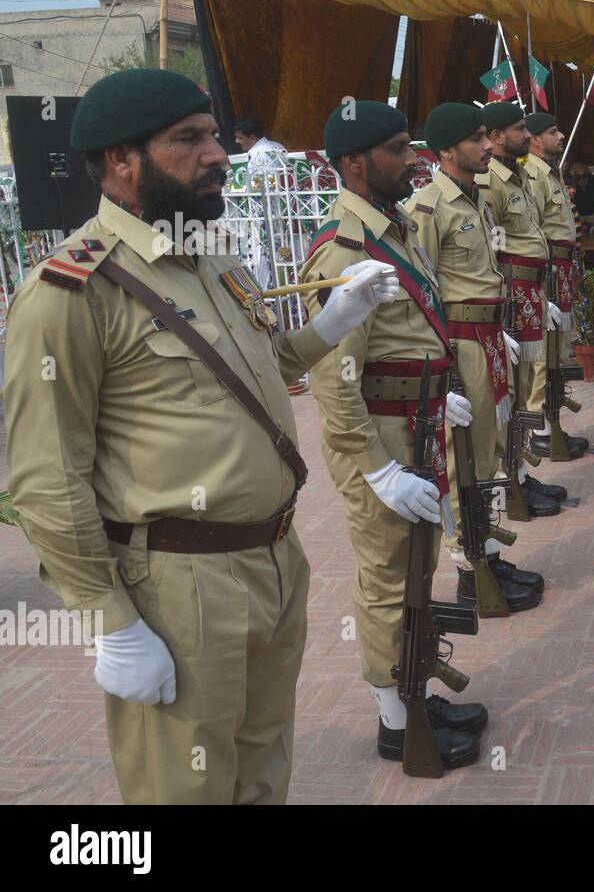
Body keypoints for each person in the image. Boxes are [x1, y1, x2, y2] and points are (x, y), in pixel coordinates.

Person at [3, 69, 398, 803]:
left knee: (262, 775)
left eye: (214, 133)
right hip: (179, 586)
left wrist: (330, 323)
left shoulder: (213, 260)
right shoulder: (71, 293)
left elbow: (261, 369)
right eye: (189, 139)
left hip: (273, 560)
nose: (217, 152)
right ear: (124, 160)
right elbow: (45, 477)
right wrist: (111, 620)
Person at [299, 100, 491, 768]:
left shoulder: (394, 230)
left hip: (417, 423)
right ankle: (394, 716)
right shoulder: (343, 248)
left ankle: (412, 694)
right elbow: (333, 377)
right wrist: (376, 468)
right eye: (399, 149)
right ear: (355, 163)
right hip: (379, 435)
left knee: (417, 566)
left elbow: (414, 331)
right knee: (387, 576)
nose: (414, 160)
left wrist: (443, 400)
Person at [409, 104, 549, 610]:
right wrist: (441, 367)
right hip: (459, 345)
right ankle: (469, 567)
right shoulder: (428, 209)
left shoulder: (476, 199)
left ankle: (488, 551)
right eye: (475, 140)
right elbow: (421, 293)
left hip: (489, 337)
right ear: (446, 150)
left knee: (487, 453)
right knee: (458, 457)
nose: (488, 146)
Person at [474, 100, 571, 513]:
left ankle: (523, 474)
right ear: (498, 138)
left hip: (531, 292)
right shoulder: (491, 182)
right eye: (518, 129)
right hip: (511, 297)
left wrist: (543, 294)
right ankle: (508, 481)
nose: (525, 136)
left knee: (529, 382)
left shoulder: (517, 176)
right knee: (513, 393)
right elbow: (490, 253)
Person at [522, 111, 590, 458]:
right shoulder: (532, 177)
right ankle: (539, 430)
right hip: (546, 273)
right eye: (552, 132)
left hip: (561, 271)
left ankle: (552, 425)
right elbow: (533, 231)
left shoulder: (551, 173)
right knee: (542, 355)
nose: (561, 136)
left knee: (557, 352)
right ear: (535, 139)